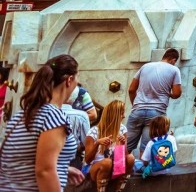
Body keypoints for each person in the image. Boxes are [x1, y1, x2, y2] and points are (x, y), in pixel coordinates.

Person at [0, 54, 84, 191]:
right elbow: (44, 171)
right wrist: (53, 170)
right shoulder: (54, 117)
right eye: (77, 80)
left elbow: (21, 159)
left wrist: (63, 168)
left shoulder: (21, 115)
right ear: (69, 80)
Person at [126, 48, 182, 158]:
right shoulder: (174, 70)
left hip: (137, 110)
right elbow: (177, 93)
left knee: (125, 146)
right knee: (147, 148)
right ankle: (144, 173)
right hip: (157, 114)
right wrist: (168, 93)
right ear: (173, 60)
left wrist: (135, 105)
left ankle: (120, 171)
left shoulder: (145, 67)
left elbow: (131, 90)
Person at [83, 99, 134, 190]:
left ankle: (119, 189)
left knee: (131, 158)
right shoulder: (93, 132)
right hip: (96, 169)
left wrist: (122, 145)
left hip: (117, 167)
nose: (124, 116)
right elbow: (87, 160)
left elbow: (125, 156)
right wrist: (97, 143)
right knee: (107, 162)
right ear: (114, 115)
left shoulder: (123, 129)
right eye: (122, 113)